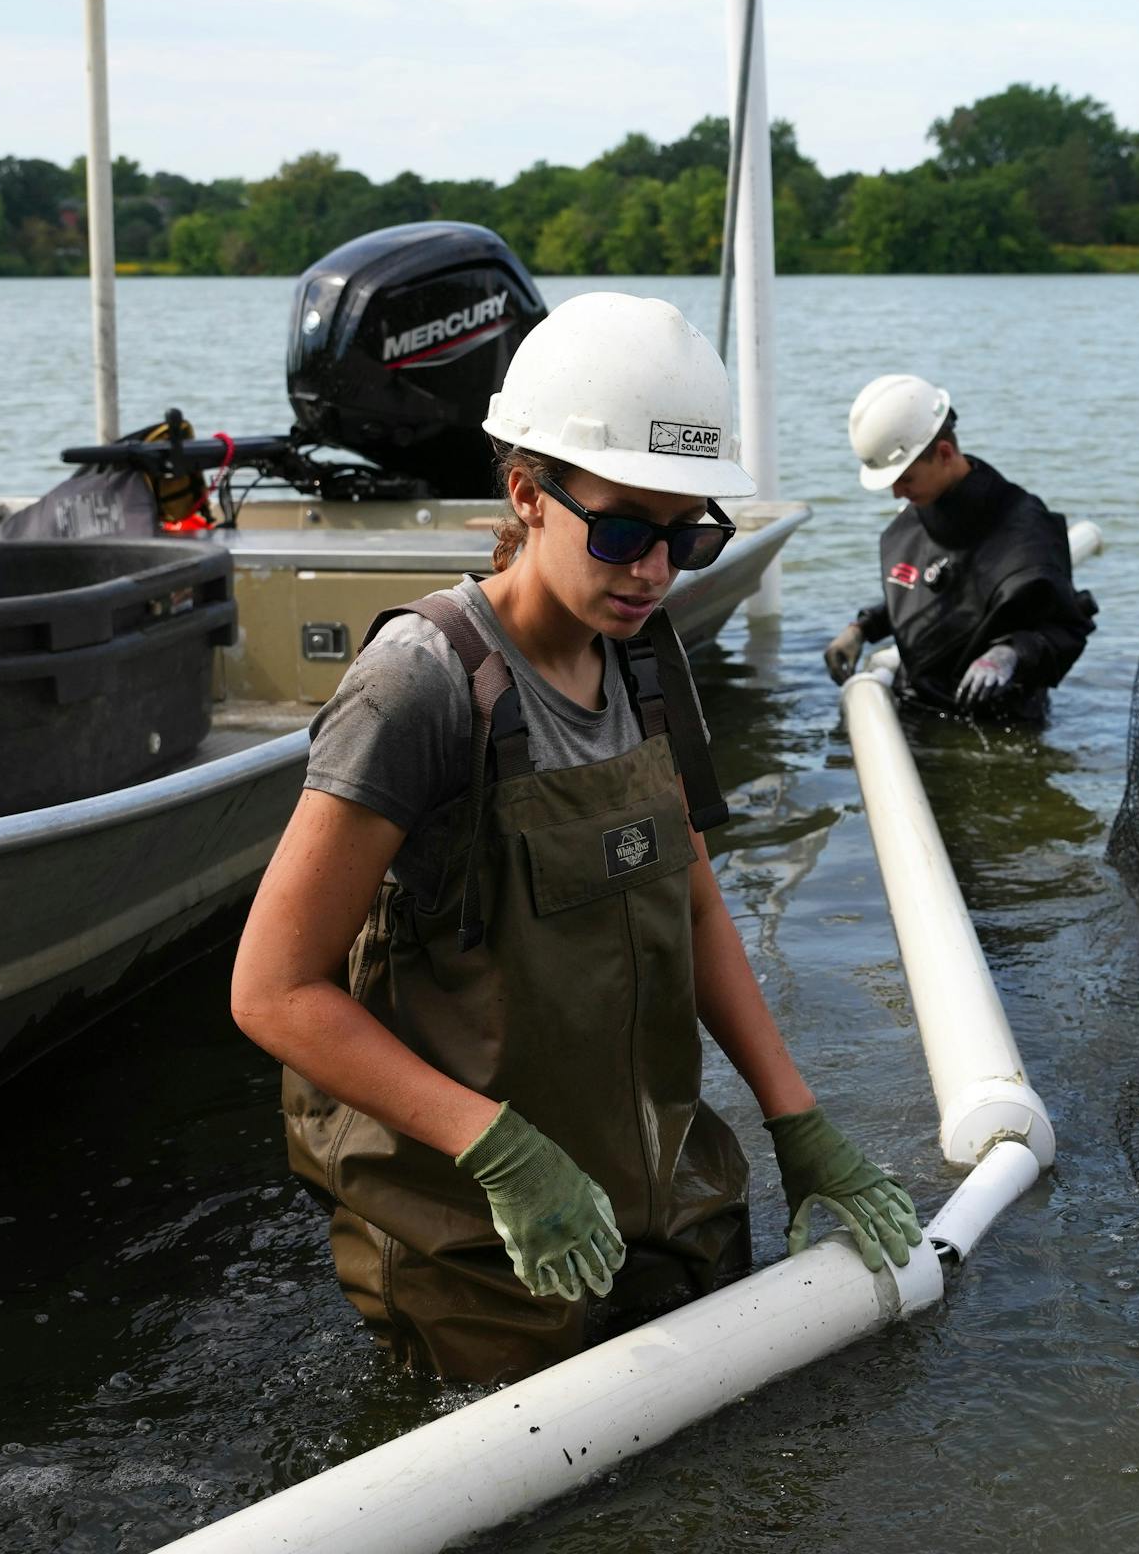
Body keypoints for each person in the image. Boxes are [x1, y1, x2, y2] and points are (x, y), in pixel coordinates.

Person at [231, 293, 921, 1384]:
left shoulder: (647, 658)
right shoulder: (419, 684)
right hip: (476, 1222)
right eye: (621, 530)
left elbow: (693, 900)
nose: (653, 571)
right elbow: (273, 989)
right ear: (526, 495)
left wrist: (800, 1124)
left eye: (688, 534)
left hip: (653, 1185)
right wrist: (497, 1149)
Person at [821, 375, 1093, 718]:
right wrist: (862, 628)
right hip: (915, 701)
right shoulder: (918, 516)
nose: (896, 493)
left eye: (904, 478)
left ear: (945, 453)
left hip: (996, 719)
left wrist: (1010, 654)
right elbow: (935, 596)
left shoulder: (1023, 532)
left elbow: (1066, 626)